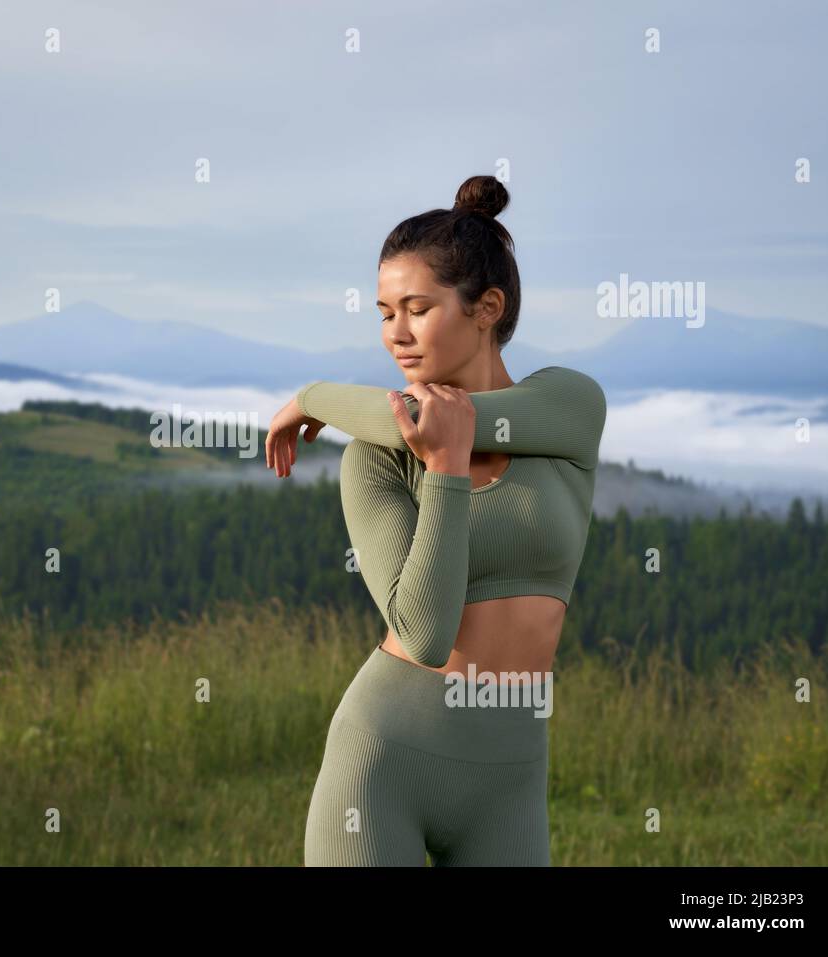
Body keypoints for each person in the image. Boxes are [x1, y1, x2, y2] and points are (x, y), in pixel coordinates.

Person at [264, 174, 606, 865]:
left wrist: (313, 396)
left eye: (417, 308)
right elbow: (423, 634)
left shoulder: (570, 407)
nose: (396, 334)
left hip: (512, 772)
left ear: (487, 308)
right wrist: (445, 473)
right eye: (384, 311)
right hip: (384, 754)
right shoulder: (376, 462)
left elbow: (447, 418)